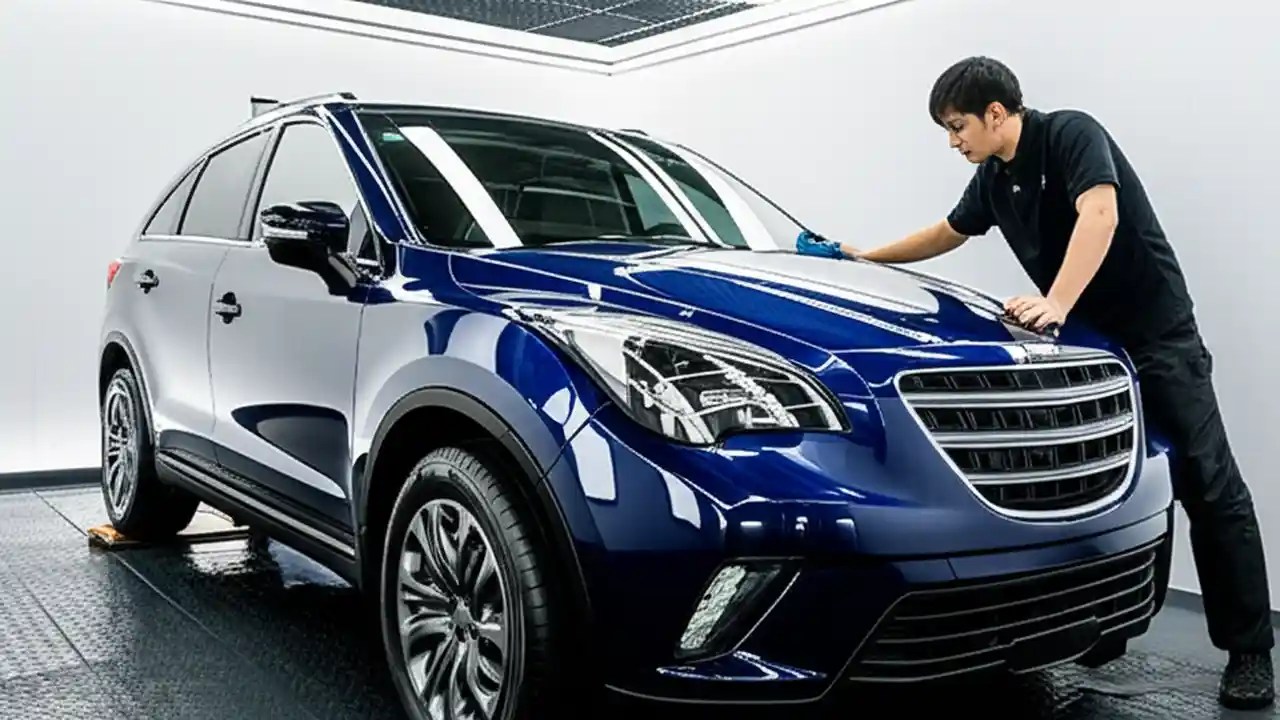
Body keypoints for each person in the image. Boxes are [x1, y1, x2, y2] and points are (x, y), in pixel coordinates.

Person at [798, 56, 1275, 710]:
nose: (952, 140)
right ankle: (1100, 621)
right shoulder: (994, 178)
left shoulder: (1072, 134)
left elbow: (1099, 215)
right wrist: (863, 256)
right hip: (1087, 346)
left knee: (1207, 482)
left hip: (1157, 338)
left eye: (958, 125)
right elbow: (946, 232)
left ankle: (1251, 651)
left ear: (997, 114)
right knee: (1086, 484)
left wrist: (1056, 302)